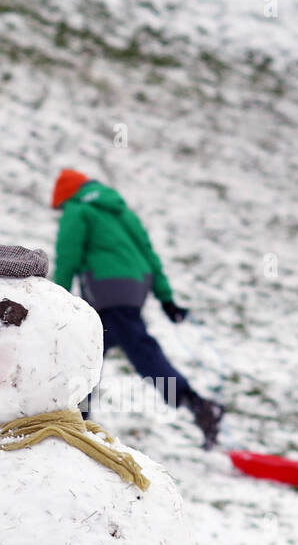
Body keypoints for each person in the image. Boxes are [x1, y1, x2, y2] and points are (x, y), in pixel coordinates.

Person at [50, 169, 224, 449]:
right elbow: (148, 252)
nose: (61, 213)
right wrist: (165, 298)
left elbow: (68, 254)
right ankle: (77, 420)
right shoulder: (121, 212)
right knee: (97, 353)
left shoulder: (78, 209)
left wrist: (56, 296)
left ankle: (199, 405)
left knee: (101, 355)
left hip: (106, 289)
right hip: (135, 287)